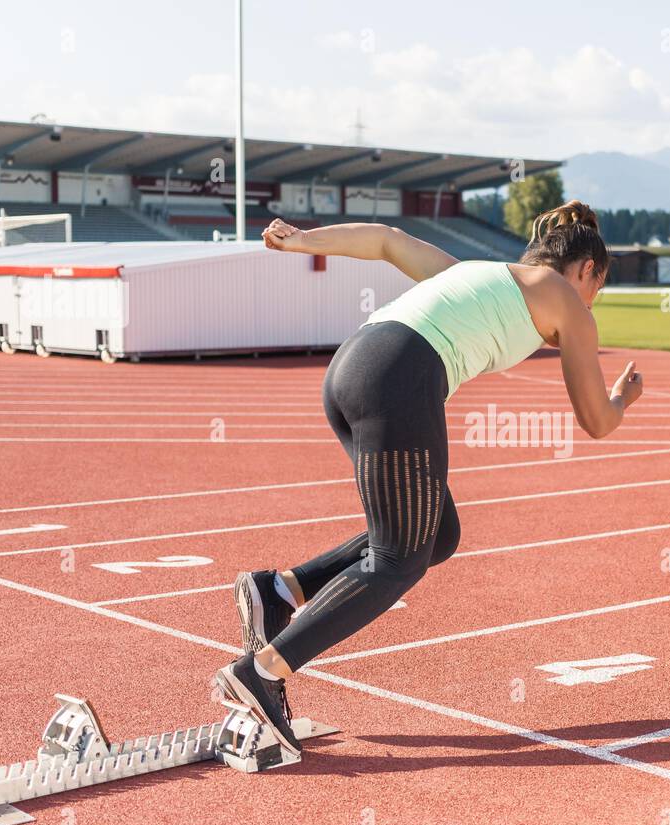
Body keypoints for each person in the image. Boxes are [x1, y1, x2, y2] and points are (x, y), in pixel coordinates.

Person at [215, 200, 644, 753]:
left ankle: (278, 590)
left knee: (436, 535)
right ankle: (263, 673)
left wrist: (303, 241)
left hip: (351, 368)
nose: (592, 303)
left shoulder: (472, 272)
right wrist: (622, 398)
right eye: (597, 289)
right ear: (588, 270)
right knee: (399, 559)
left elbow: (388, 240)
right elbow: (596, 421)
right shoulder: (566, 300)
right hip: (398, 381)